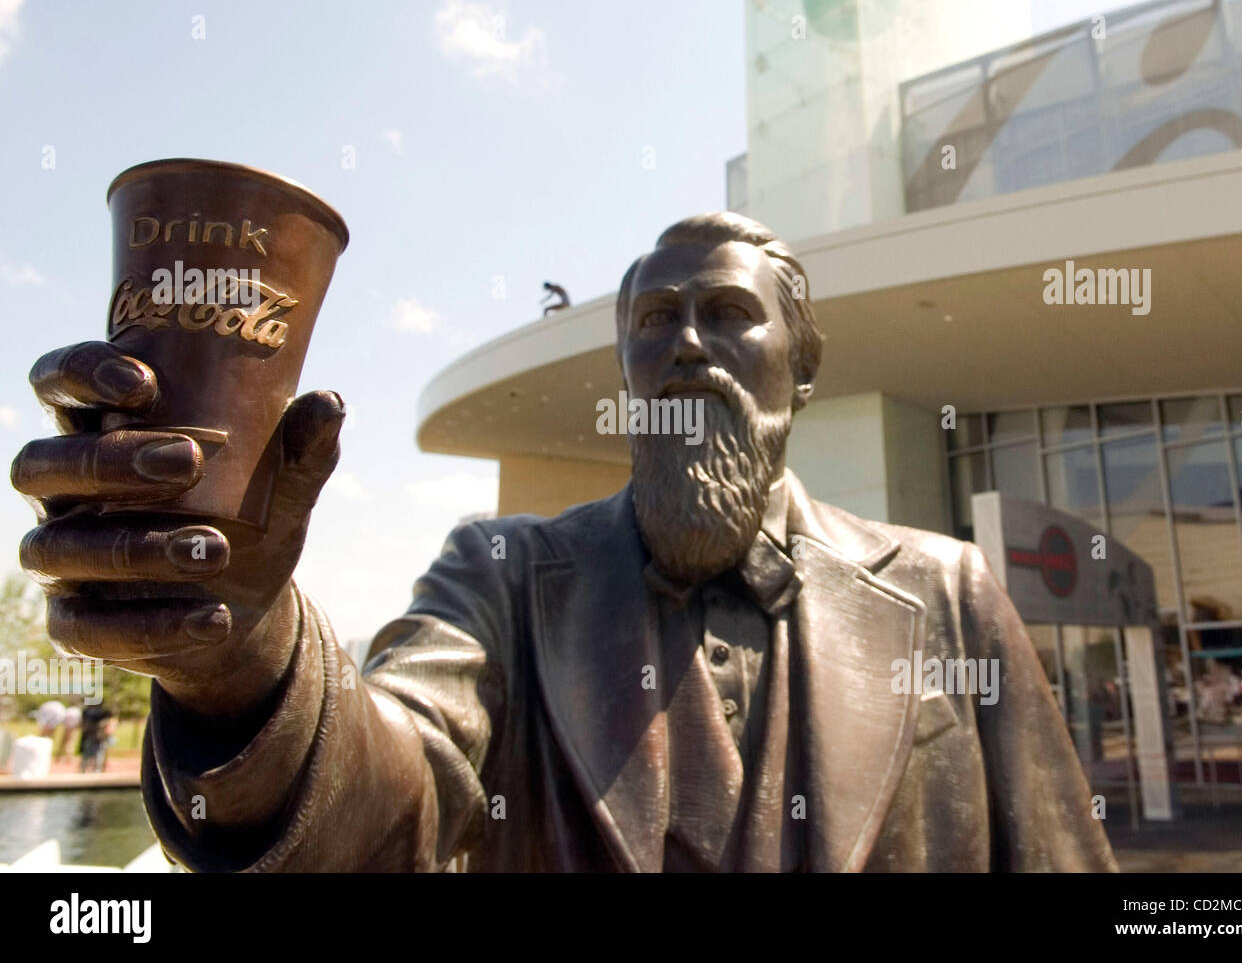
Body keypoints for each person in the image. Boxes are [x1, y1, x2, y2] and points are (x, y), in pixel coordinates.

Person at [11, 212, 1116, 872]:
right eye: (655, 322)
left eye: (729, 315)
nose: (687, 346)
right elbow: (396, 801)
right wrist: (241, 652)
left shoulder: (948, 593)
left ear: (804, 368)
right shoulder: (503, 577)